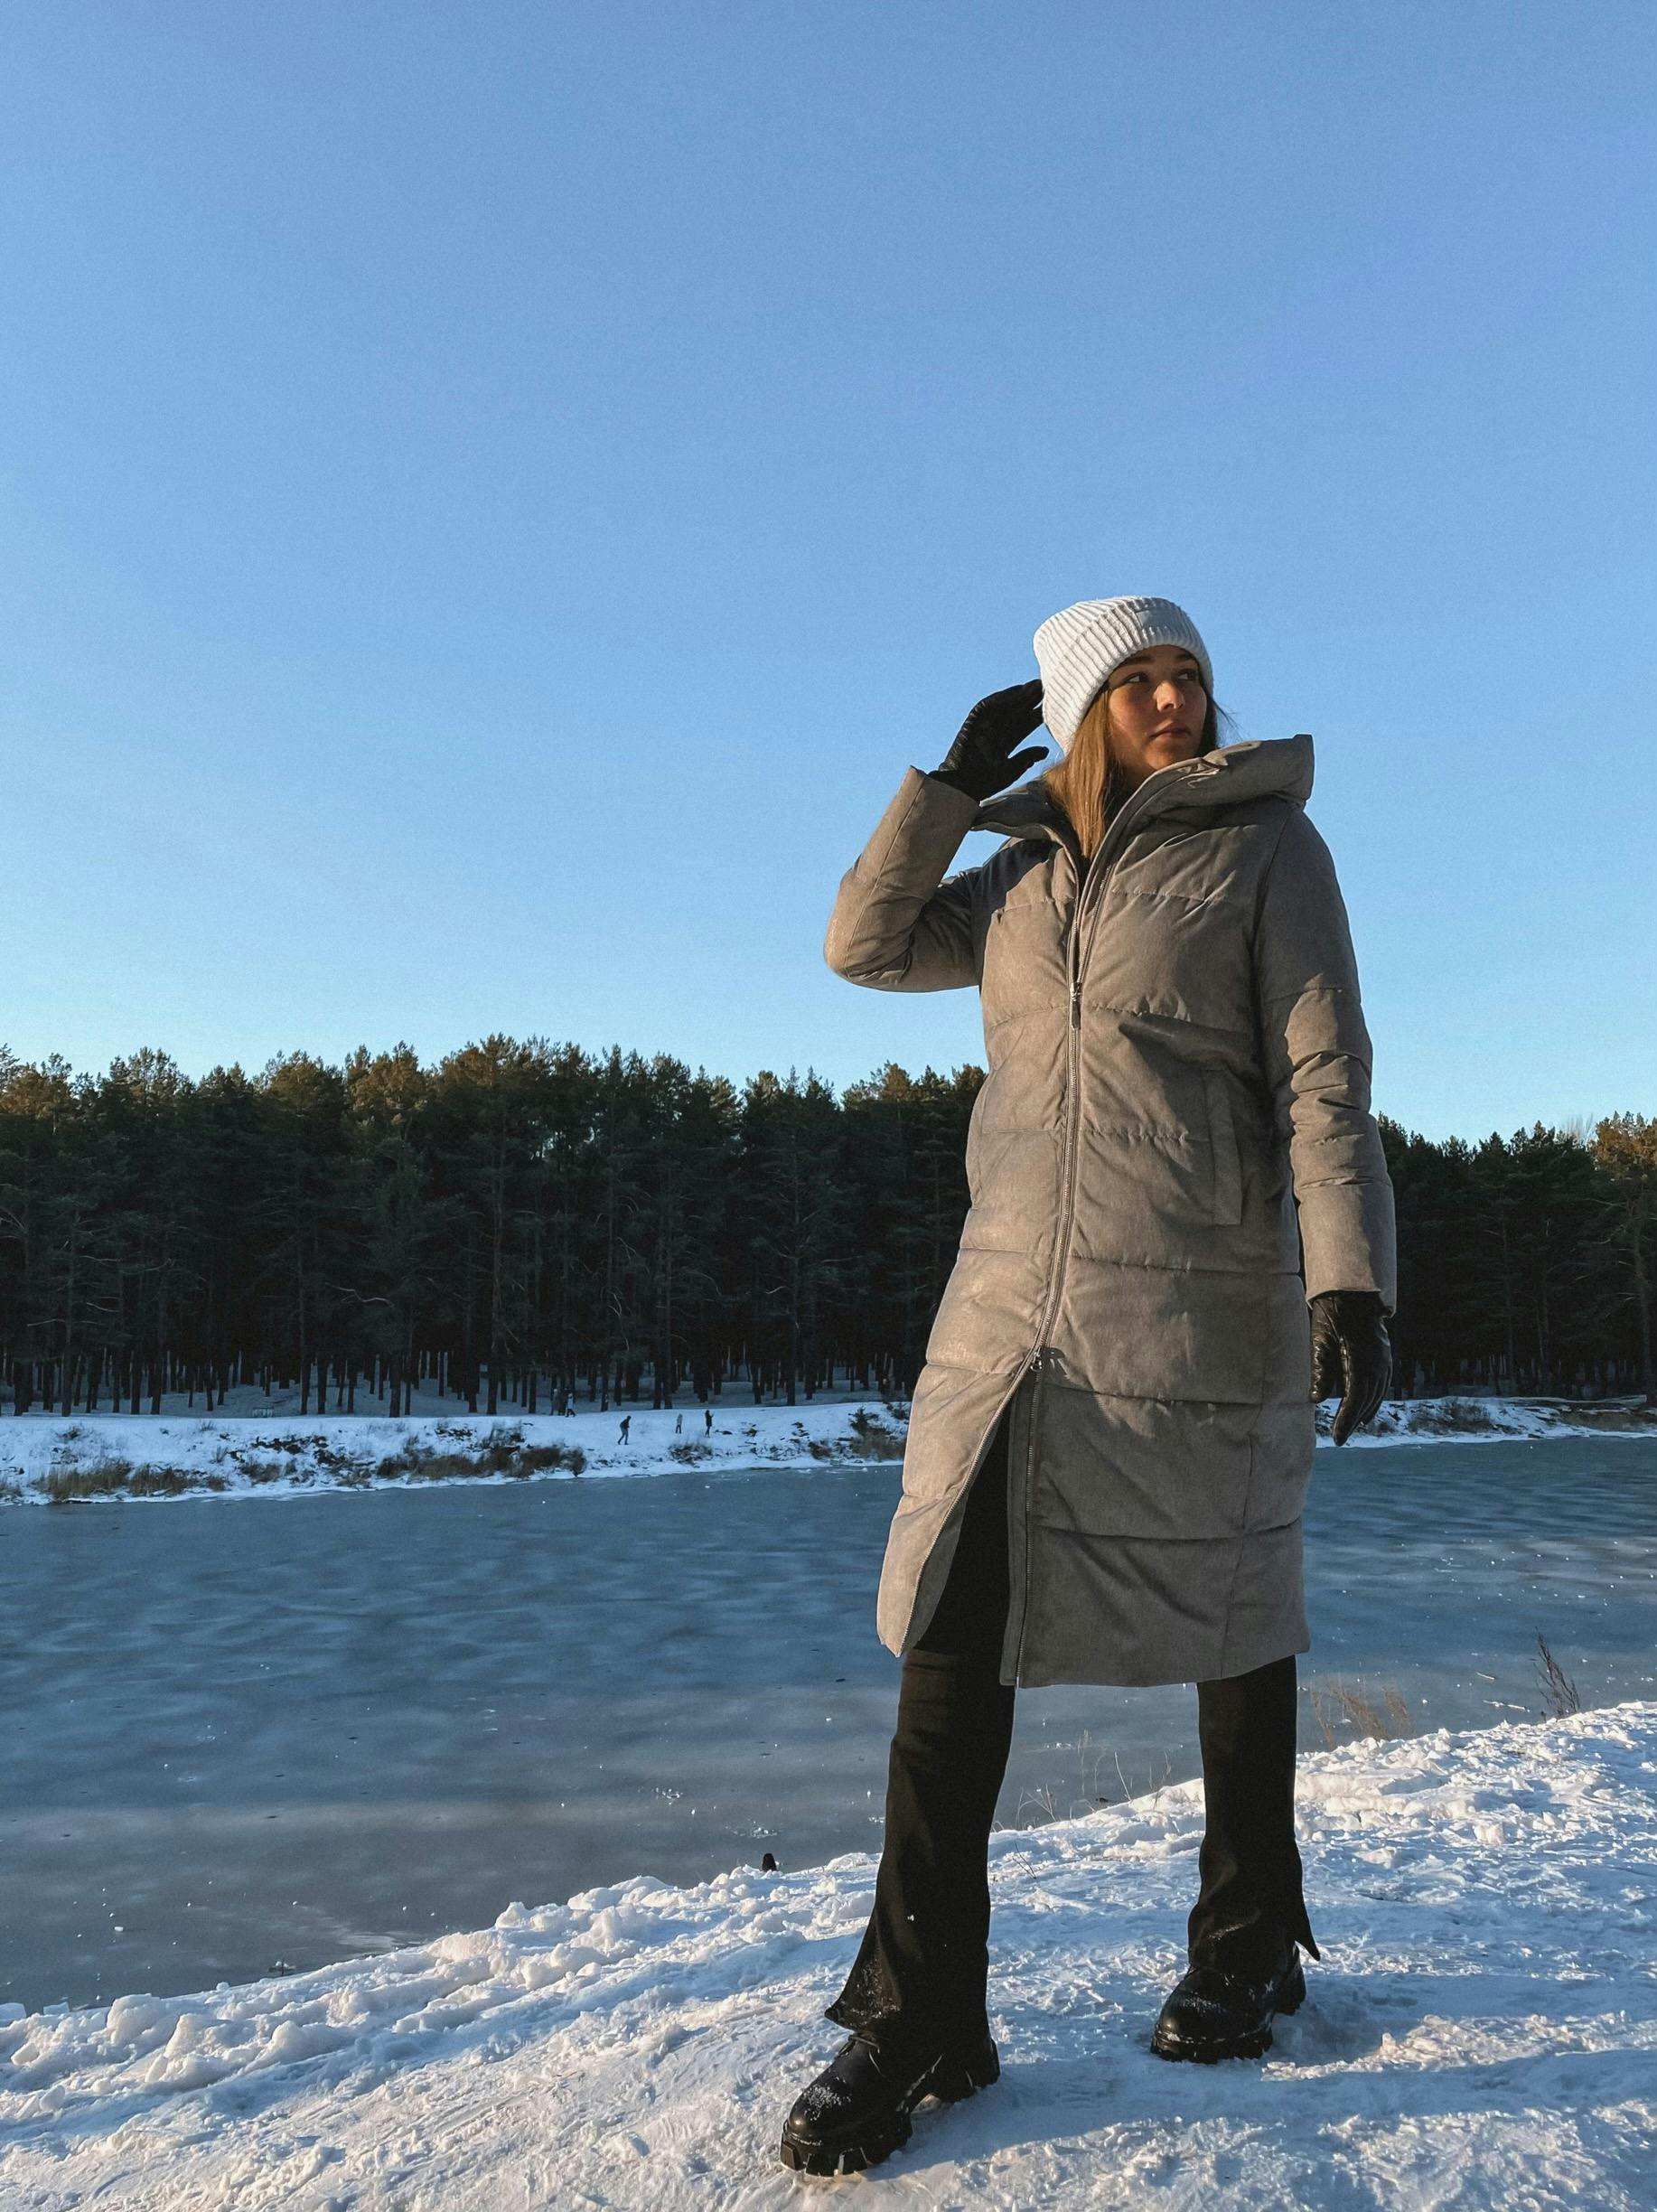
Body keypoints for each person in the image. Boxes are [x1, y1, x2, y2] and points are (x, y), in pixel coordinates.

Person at [779, 596, 1395, 2178]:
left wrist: (1349, 1277)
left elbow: (1323, 1070)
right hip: (1008, 1325)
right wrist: (936, 788)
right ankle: (921, 2014)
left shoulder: (1264, 851)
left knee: (1232, 1621)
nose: (1179, 699)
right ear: (1074, 714)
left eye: (1187, 673)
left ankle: (1247, 1940)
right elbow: (856, 946)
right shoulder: (1009, 878)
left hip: (1200, 1303)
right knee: (947, 1641)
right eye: (1138, 684)